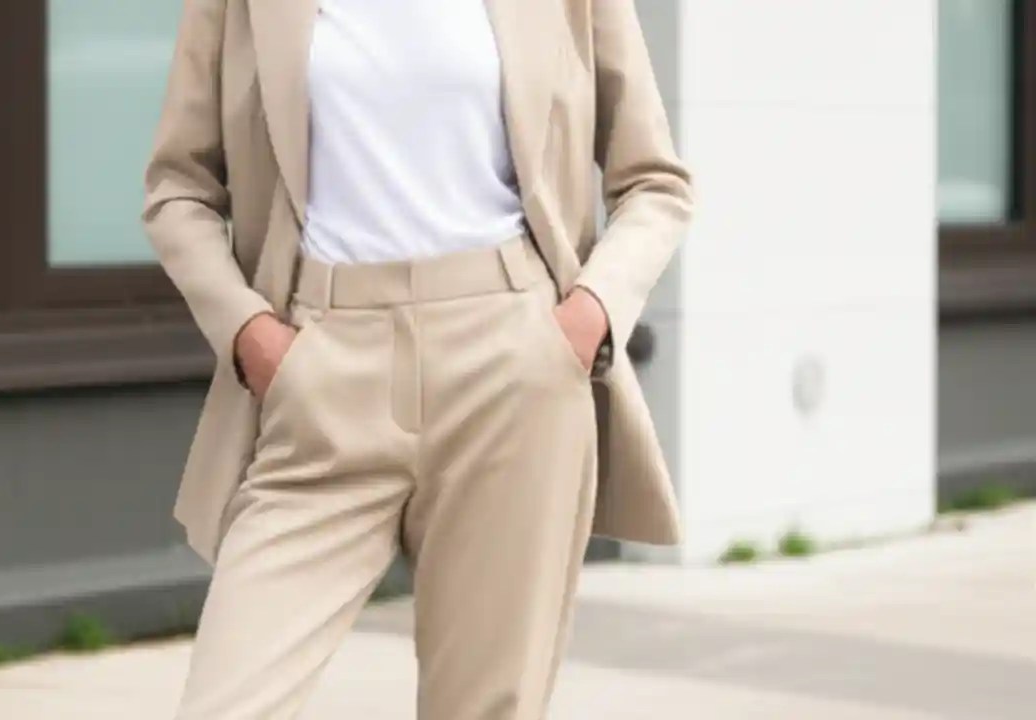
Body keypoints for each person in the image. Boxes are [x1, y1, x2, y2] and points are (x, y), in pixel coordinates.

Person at [142, 0, 693, 717]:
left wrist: (586, 317)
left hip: (513, 368)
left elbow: (654, 182)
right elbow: (177, 188)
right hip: (320, 373)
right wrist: (251, 334)